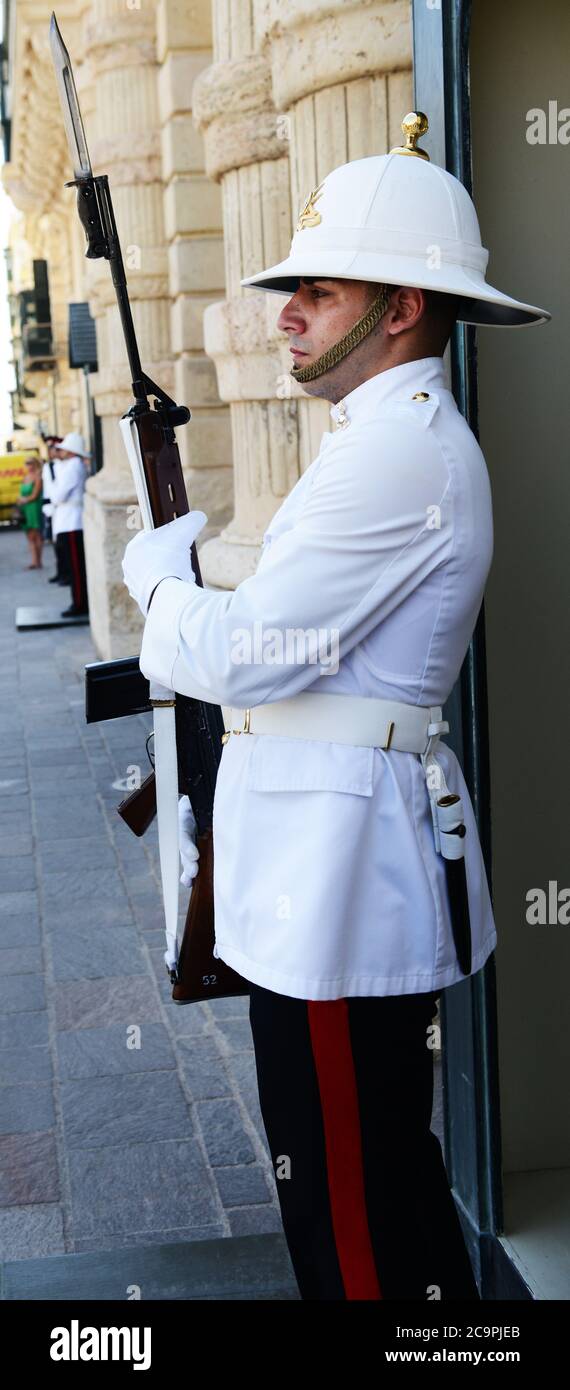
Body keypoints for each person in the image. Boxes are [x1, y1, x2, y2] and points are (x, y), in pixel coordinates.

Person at [122, 113, 550, 1300]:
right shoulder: (378, 440)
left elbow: (257, 654)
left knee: (354, 1228)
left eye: (314, 287)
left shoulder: (398, 451)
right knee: (369, 1199)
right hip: (322, 866)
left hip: (335, 885)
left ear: (404, 305)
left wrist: (156, 581)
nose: (286, 312)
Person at [50, 430, 91, 617]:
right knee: (74, 566)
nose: (62, 451)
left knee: (76, 568)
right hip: (68, 521)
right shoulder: (70, 464)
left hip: (72, 522)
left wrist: (54, 494)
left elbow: (58, 495)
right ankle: (78, 602)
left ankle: (80, 604)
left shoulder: (74, 465)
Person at [17, 456, 44, 569]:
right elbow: (22, 493)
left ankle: (38, 561)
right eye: (27, 463)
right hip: (25, 509)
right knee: (29, 535)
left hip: (34, 508)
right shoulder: (25, 477)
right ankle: (34, 560)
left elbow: (35, 494)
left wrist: (24, 499)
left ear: (35, 464)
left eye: (31, 463)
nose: (29, 466)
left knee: (36, 534)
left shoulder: (38, 477)